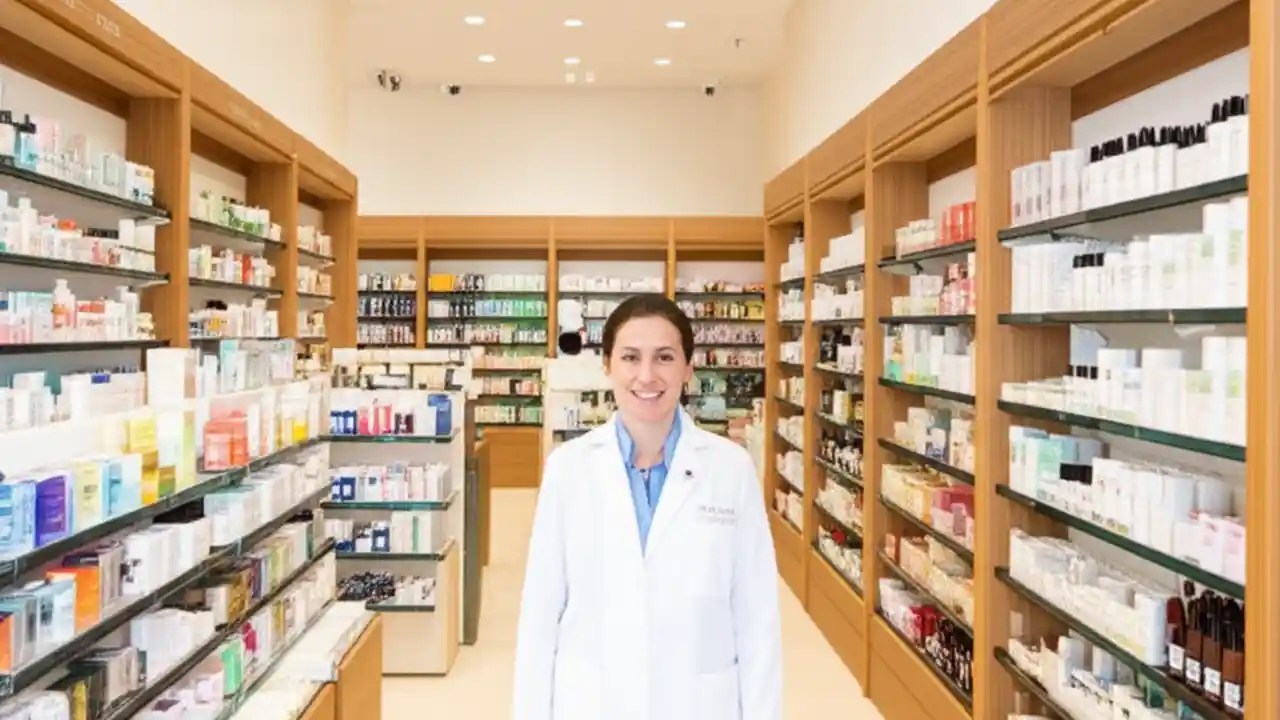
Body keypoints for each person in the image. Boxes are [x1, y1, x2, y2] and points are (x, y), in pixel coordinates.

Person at [512, 293, 783, 720]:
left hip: (698, 702)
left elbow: (757, 619)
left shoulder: (731, 470)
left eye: (664, 357)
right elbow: (540, 616)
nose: (646, 375)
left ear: (688, 367)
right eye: (630, 357)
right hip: (592, 701)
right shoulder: (569, 469)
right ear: (607, 365)